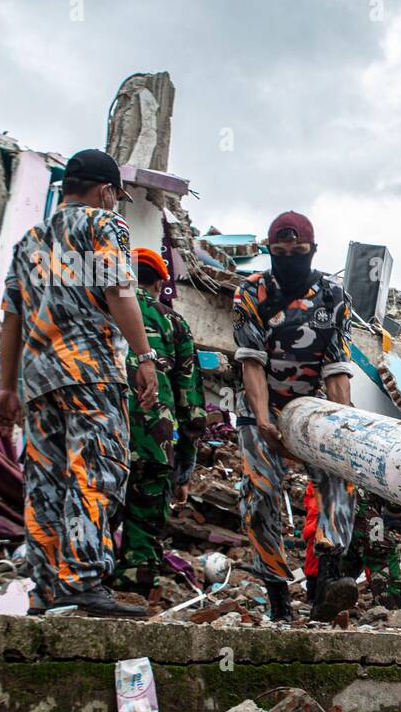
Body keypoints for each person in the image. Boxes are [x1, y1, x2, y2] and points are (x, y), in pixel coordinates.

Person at [0, 149, 158, 617]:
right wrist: (145, 357)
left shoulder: (29, 241)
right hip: (91, 372)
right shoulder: (103, 226)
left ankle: (46, 588)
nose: (116, 205)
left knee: (45, 480)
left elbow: (12, 318)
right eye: (116, 197)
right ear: (107, 191)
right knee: (96, 469)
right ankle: (82, 581)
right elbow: (119, 291)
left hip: (39, 381)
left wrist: (7, 389)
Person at [233, 211, 358, 622]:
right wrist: (263, 420)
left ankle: (326, 579)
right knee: (261, 493)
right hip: (260, 402)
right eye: (281, 251)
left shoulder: (333, 296)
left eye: (298, 251)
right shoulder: (250, 293)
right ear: (270, 251)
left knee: (337, 478)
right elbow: (251, 362)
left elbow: (337, 369)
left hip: (312, 402)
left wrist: (343, 427)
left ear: (313, 251)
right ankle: (277, 596)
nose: (289, 256)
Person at [112, 248, 206, 594]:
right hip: (154, 437)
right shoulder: (173, 322)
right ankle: (132, 591)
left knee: (95, 509)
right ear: (160, 283)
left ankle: (87, 582)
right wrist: (184, 471)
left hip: (103, 429)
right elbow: (191, 405)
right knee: (144, 519)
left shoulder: (100, 305)